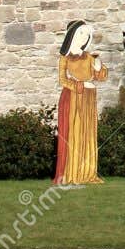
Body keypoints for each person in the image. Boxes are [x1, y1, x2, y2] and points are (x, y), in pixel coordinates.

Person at [53, 21, 106, 186]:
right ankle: (72, 172)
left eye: (86, 34)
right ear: (73, 34)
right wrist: (80, 85)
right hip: (73, 98)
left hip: (89, 99)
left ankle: (86, 172)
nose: (84, 37)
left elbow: (101, 76)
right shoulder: (65, 57)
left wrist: (98, 66)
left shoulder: (89, 56)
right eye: (81, 33)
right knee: (74, 133)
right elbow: (62, 80)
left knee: (87, 134)